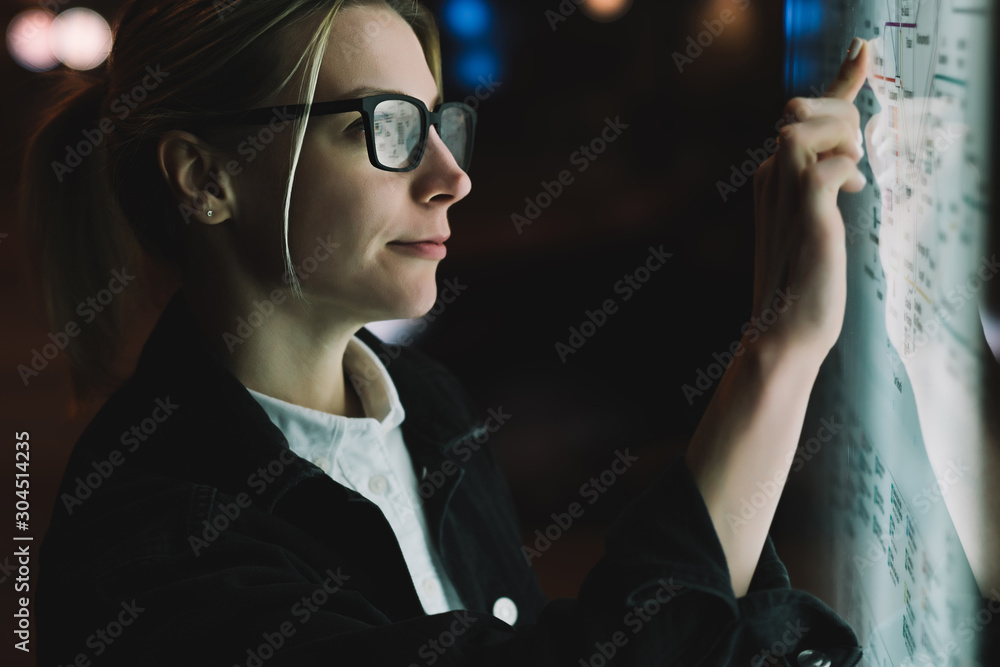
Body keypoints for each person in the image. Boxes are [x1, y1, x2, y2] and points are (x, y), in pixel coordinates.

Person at [20, 0, 899, 664]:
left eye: (438, 123)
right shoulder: (152, 552)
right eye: (388, 127)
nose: (452, 176)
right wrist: (779, 349)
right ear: (207, 176)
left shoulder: (428, 410)